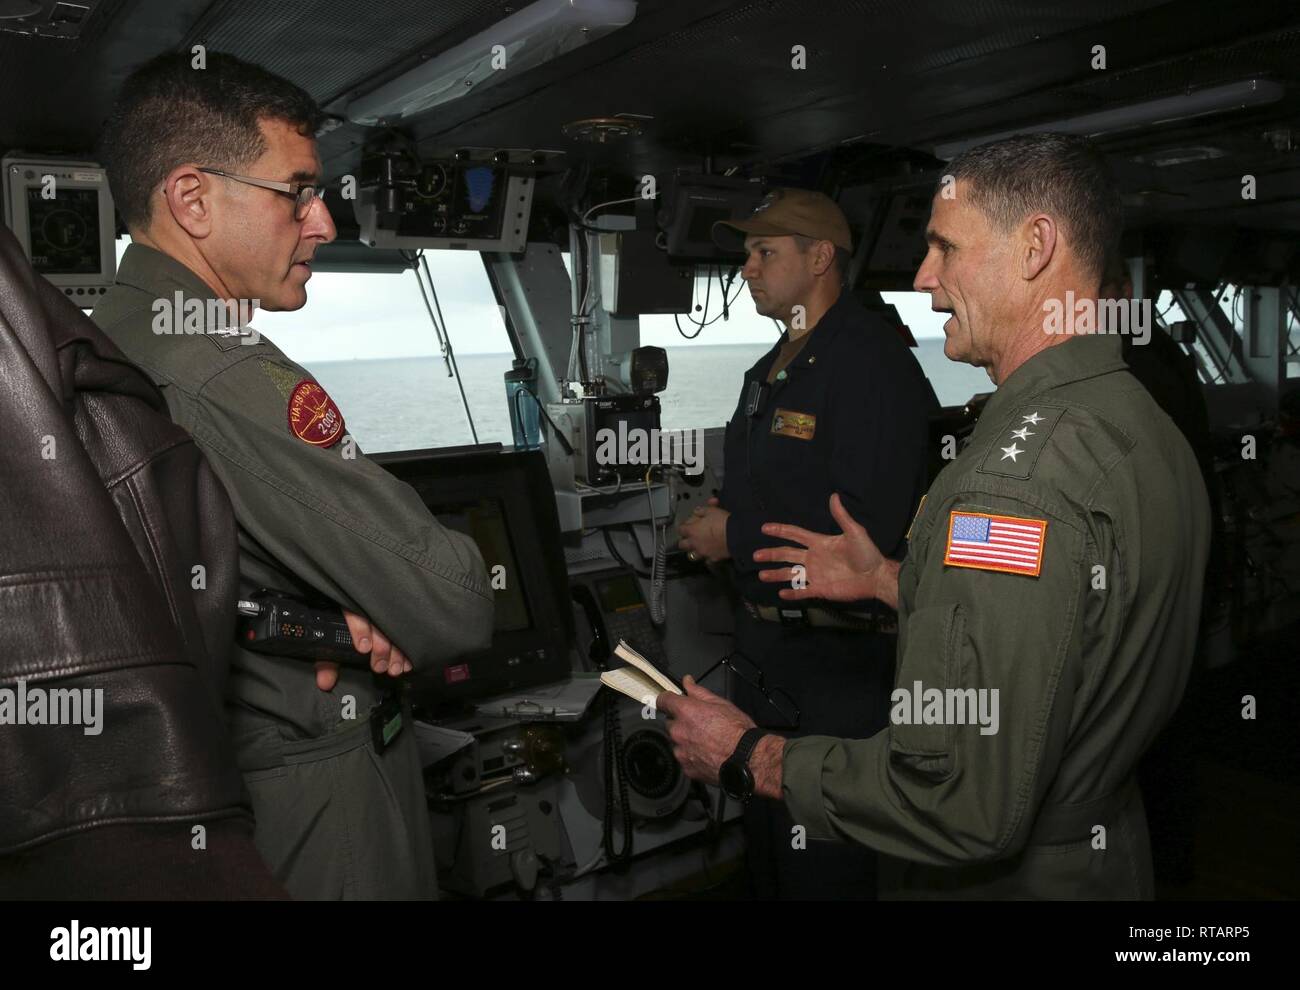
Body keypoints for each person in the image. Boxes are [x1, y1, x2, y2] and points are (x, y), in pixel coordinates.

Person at [659, 133, 1211, 899]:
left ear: (1035, 247)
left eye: (946, 249)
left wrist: (755, 756)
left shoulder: (1013, 484)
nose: (923, 280)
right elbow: (1063, 624)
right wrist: (891, 581)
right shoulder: (1133, 422)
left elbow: (962, 803)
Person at [92, 52, 493, 899]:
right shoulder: (219, 372)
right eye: (298, 192)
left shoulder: (108, 334)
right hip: (319, 805)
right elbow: (452, 600)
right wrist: (381, 606)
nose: (325, 224)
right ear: (193, 200)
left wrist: (309, 617)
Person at [676, 187, 931, 898]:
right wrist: (720, 519)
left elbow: (869, 529)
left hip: (839, 660)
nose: (747, 269)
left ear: (821, 258)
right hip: (768, 655)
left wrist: (735, 537)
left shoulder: (870, 363)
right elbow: (776, 481)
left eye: (764, 252)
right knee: (769, 857)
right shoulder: (778, 365)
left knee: (824, 862)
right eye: (746, 255)